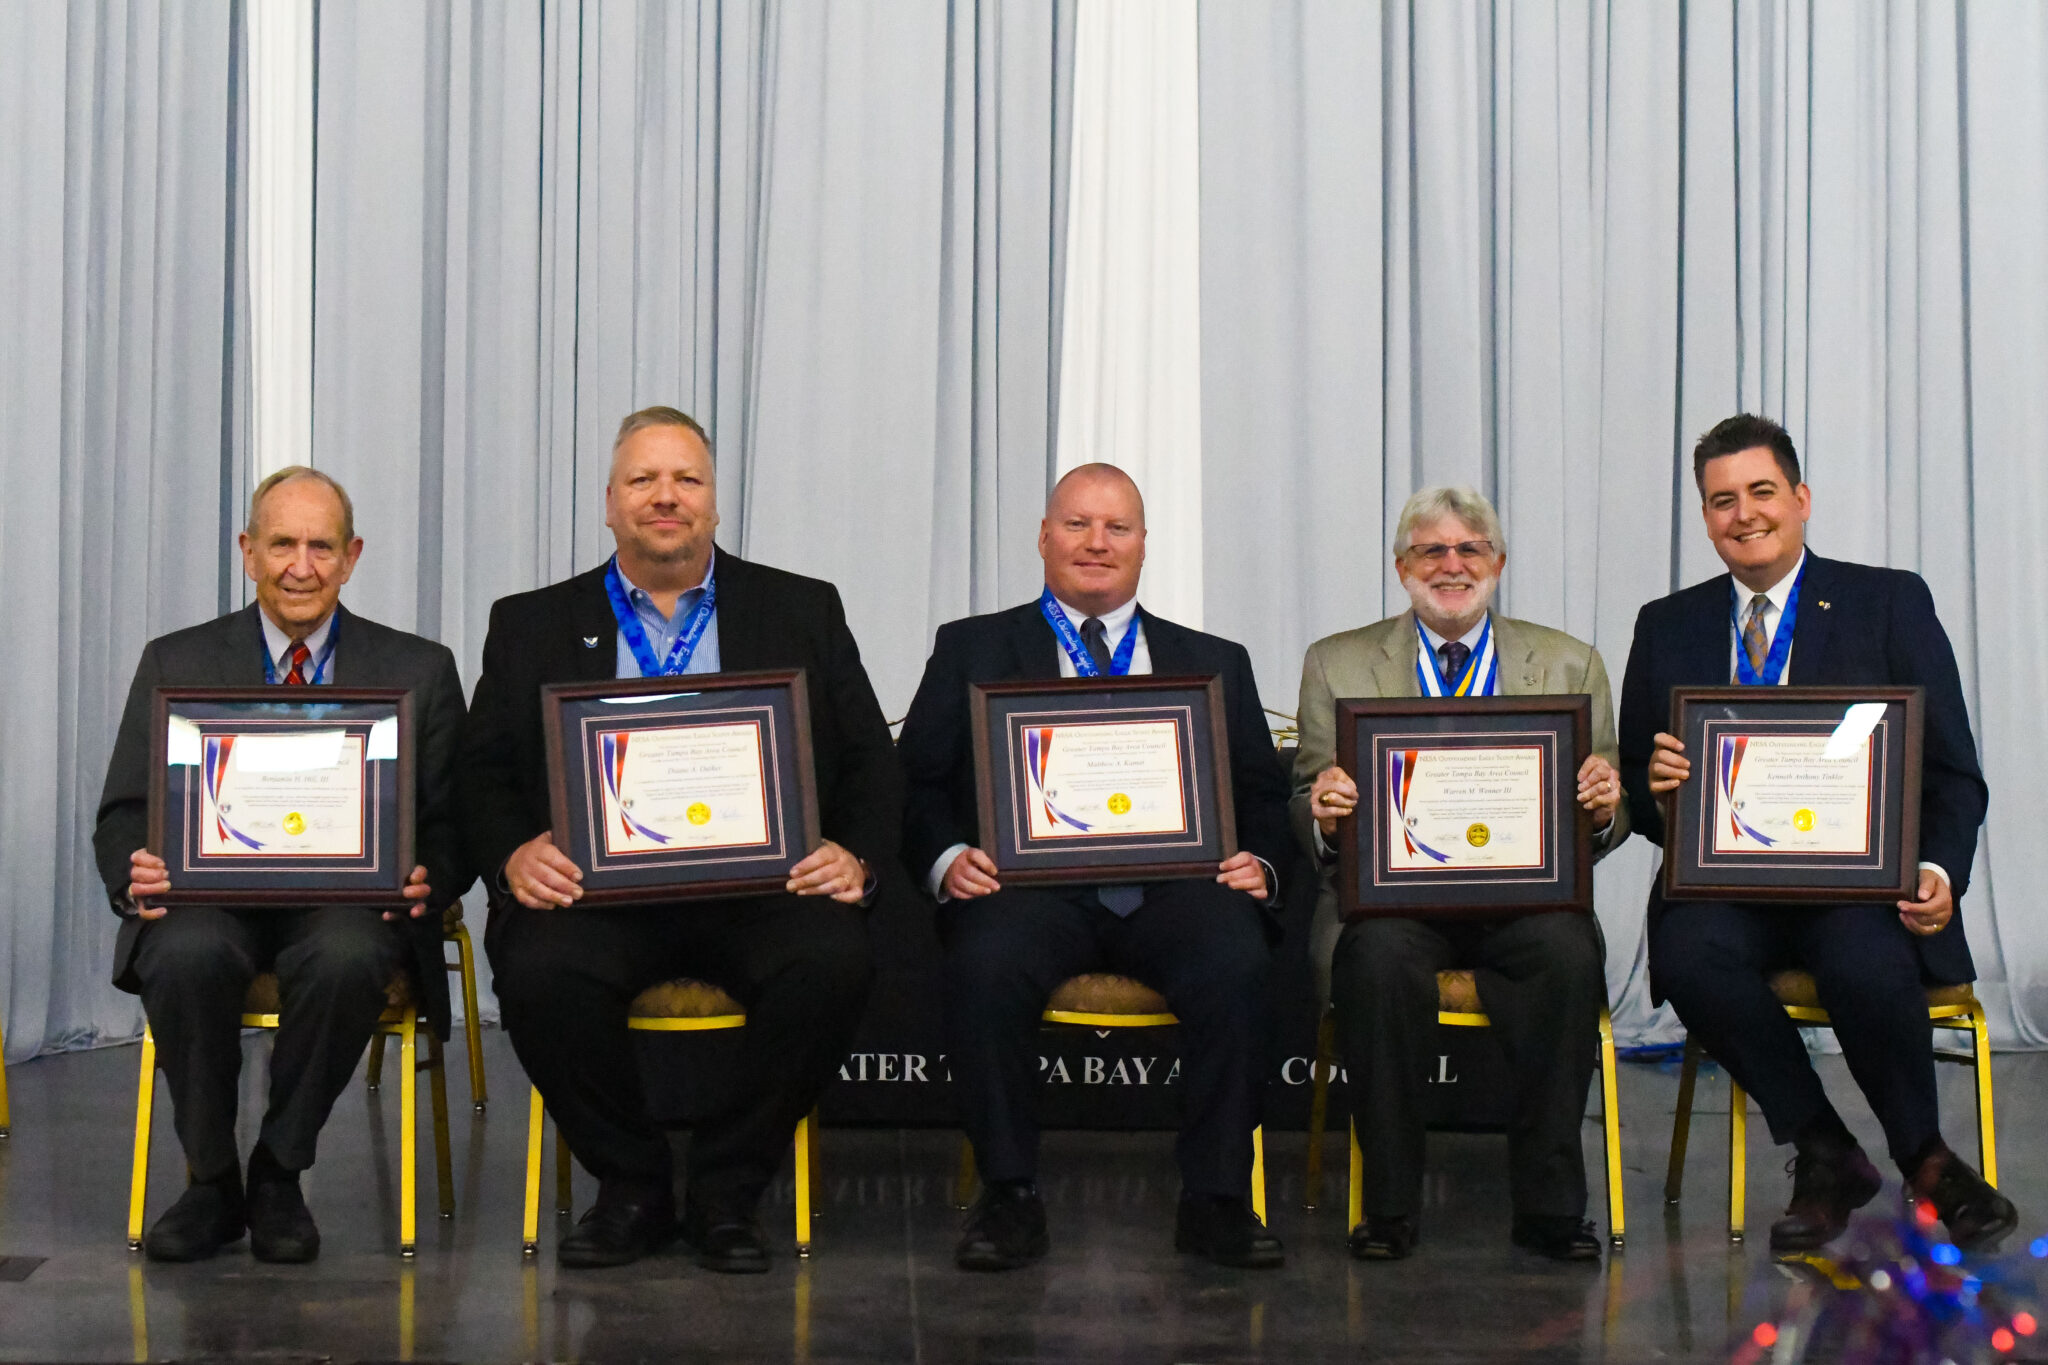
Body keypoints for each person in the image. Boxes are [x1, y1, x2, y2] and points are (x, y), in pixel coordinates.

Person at [462, 406, 900, 1272]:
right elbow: (482, 771)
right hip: (596, 895)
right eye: (644, 480)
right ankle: (632, 1184)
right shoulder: (531, 622)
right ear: (611, 502)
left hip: (759, 892)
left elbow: (870, 762)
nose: (666, 497)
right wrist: (513, 854)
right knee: (540, 971)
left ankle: (729, 1186)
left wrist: (854, 853)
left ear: (714, 502)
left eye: (686, 480)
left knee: (833, 960)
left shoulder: (801, 608)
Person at [1618, 413, 2013, 1252]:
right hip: (1727, 889)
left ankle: (1928, 1159)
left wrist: (1940, 870)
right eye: (1722, 500)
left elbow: (1952, 770)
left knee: (1864, 960)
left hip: (1853, 885)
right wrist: (1657, 790)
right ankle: (1823, 1146)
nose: (1744, 514)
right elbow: (1638, 790)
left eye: (1762, 491)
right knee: (1689, 954)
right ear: (1705, 516)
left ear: (1800, 499)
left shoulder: (1888, 601)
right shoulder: (1666, 624)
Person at [897, 463, 1294, 1271]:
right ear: (1044, 537)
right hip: (1027, 892)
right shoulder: (971, 647)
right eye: (1077, 524)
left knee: (1237, 958)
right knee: (984, 961)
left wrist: (1260, 859)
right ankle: (1009, 1195)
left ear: (1145, 546)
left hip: (1176, 889)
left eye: (1117, 527)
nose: (1096, 542)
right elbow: (918, 782)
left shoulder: (1214, 658)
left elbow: (1262, 791)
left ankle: (1217, 1197)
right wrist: (945, 859)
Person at [93, 467, 472, 1263]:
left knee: (348, 955)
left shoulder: (421, 669)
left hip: (346, 904)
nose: (301, 564)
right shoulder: (176, 660)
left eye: (321, 545)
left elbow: (450, 823)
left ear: (351, 556)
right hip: (208, 900)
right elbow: (124, 810)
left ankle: (278, 1170)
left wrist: (425, 876)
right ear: (247, 552)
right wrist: (137, 871)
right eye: (282, 544)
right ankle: (212, 1178)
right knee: (186, 953)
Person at [1292, 486, 1627, 1262]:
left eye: (1470, 548)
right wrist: (1326, 811)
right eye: (1431, 550)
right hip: (1392, 903)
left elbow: (1606, 816)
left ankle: (1549, 1208)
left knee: (1570, 955)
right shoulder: (1335, 662)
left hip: (1525, 900)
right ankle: (1388, 1206)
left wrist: (1604, 807)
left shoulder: (1570, 660)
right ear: (1401, 566)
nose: (1452, 565)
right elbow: (1305, 792)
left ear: (1498, 563)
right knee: (1372, 961)